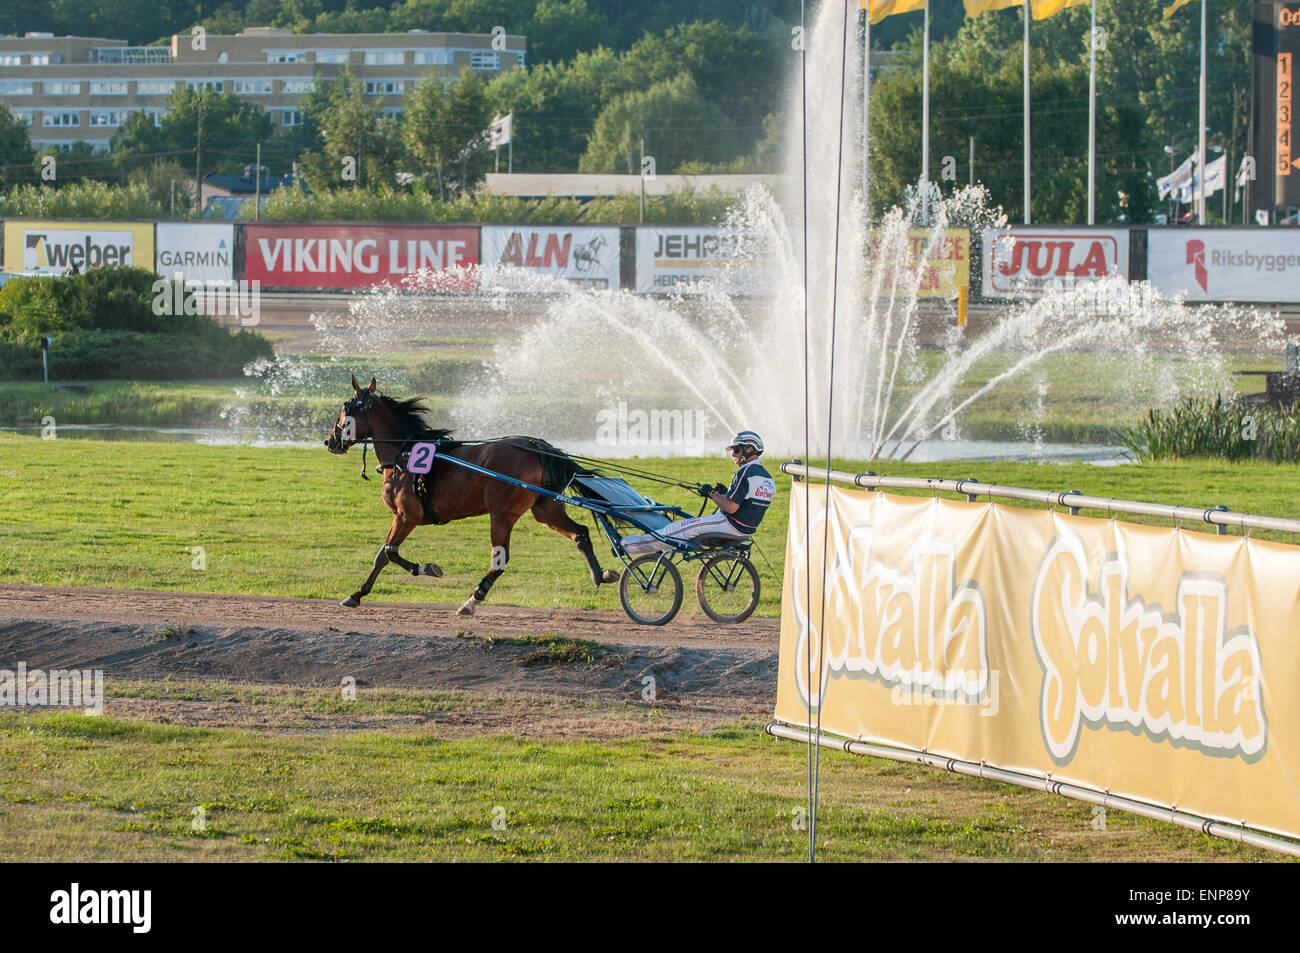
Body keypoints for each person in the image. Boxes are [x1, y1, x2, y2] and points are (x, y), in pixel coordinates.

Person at [622, 430, 776, 555]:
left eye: (736, 450)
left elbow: (730, 507)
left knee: (674, 531)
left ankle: (625, 546)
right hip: (745, 530)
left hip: (729, 524)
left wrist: (711, 493)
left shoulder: (746, 471)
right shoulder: (767, 478)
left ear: (749, 449)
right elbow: (746, 503)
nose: (733, 454)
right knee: (681, 530)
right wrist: (723, 494)